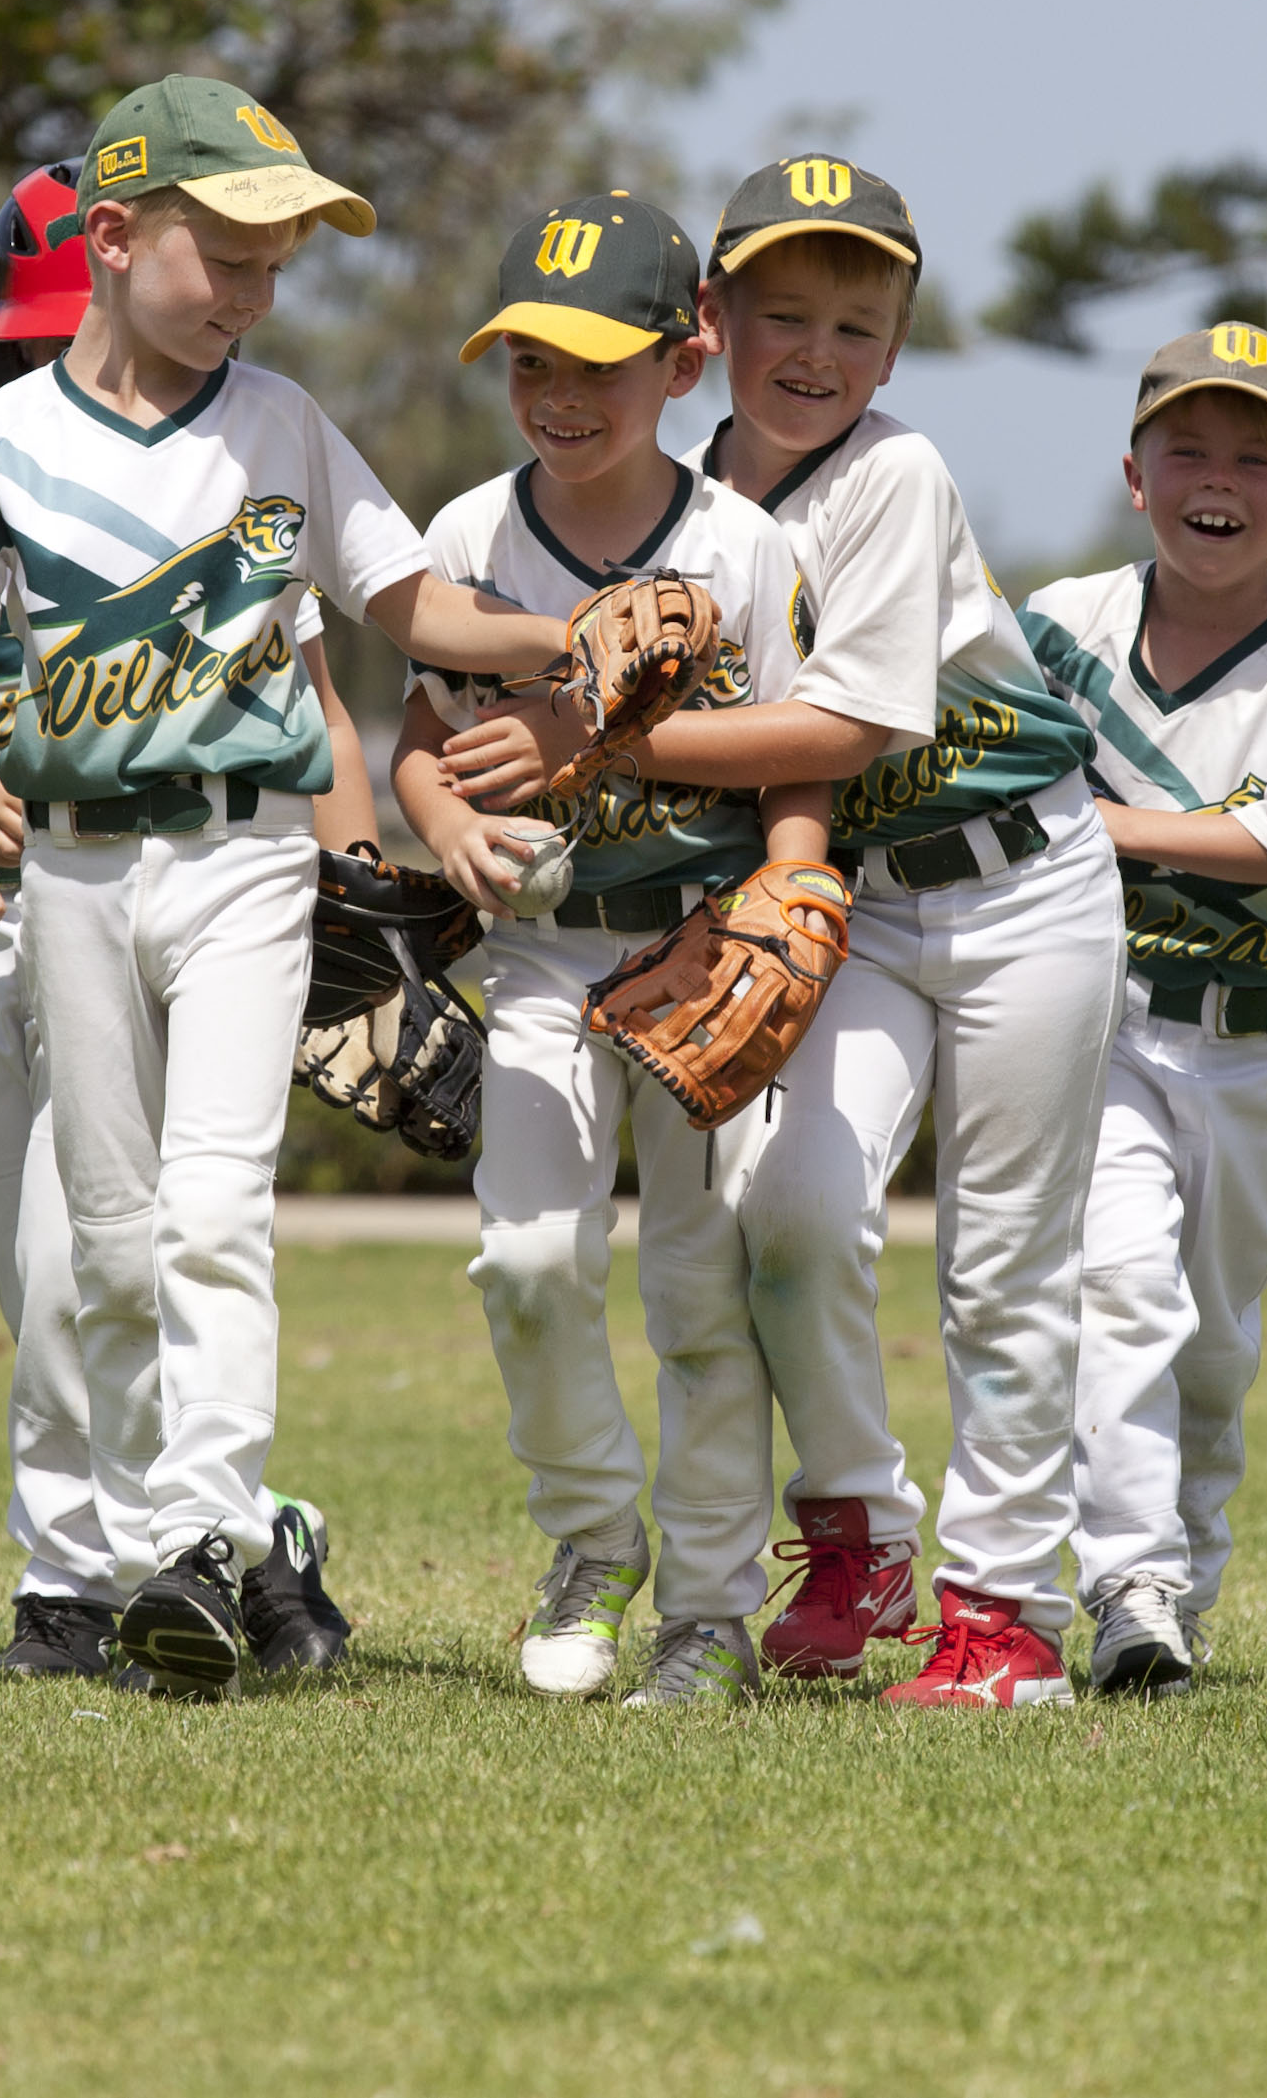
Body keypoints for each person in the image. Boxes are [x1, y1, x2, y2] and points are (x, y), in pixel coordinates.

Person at [0, 75, 575, 1701]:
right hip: (70, 864)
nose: (257, 294)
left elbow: (414, 604)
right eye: (231, 254)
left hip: (246, 856)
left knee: (208, 1208)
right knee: (107, 1243)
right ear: (114, 239)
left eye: (279, 265)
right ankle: (203, 1545)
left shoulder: (280, 424)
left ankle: (200, 1542)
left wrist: (560, 634)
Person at [0, 157, 363, 1689]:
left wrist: (359, 863)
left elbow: (309, 679)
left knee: (108, 1246)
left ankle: (92, 1575)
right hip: (7, 887)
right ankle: (241, 1540)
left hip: (176, 863)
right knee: (31, 1257)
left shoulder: (233, 448)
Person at [673, 155, 1124, 1708]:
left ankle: (1004, 1618)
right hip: (847, 898)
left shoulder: (895, 471)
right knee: (786, 1202)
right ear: (708, 317)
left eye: (856, 323)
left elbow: (849, 723)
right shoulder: (675, 503)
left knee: (1002, 1260)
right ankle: (857, 1529)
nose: (816, 352)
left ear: (899, 340)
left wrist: (586, 744)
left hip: (1022, 883)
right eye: (781, 312)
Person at [393, 190, 825, 1708]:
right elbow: (418, 744)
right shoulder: (465, 534)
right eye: (528, 363)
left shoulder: (743, 543)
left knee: (703, 1301)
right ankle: (591, 1537)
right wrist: (438, 822)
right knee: (525, 1262)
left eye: (596, 362)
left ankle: (707, 1612)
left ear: (681, 362)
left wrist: (789, 906)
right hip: (538, 954)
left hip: (705, 954)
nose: (559, 396)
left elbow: (798, 769)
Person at [1019, 324, 1267, 1698]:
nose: (1215, 478)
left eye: (1255, 453)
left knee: (1212, 1345)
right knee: (1117, 1293)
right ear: (1132, 471)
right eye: (1186, 447)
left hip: (1251, 1038)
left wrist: (1089, 819)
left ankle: (1184, 1568)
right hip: (1097, 1019)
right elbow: (980, 780)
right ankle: (1130, 1583)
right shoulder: (1058, 626)